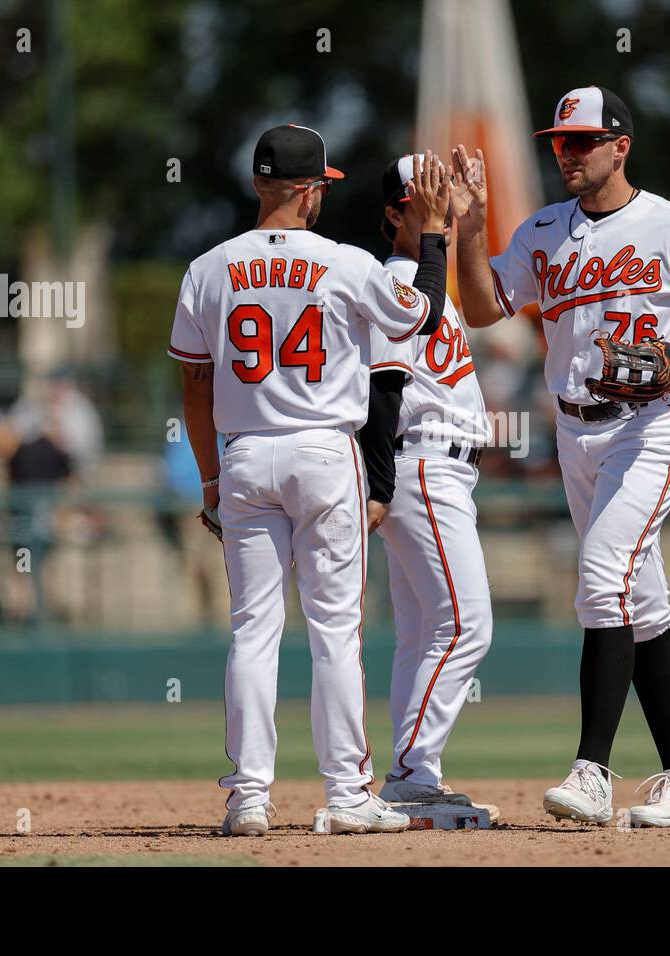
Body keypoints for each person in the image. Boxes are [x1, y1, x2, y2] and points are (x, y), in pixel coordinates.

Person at [450, 86, 670, 828]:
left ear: (622, 146)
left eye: (584, 140)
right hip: (573, 432)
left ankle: (592, 770)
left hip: (648, 427)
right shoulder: (544, 230)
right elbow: (485, 306)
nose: (570, 153)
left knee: (601, 575)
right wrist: (470, 227)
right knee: (641, 606)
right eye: (561, 141)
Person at [169, 125, 449, 837]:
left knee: (253, 632)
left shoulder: (208, 267)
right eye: (322, 183)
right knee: (334, 633)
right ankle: (348, 794)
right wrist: (437, 237)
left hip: (244, 455)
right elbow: (422, 317)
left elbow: (195, 388)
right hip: (325, 453)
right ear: (308, 189)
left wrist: (209, 482)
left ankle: (249, 798)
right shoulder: (344, 262)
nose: (325, 192)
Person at [358, 155, 495, 813]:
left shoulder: (426, 275)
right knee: (467, 625)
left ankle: (415, 774)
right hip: (422, 463)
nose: (442, 204)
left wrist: (472, 215)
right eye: (427, 197)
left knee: (421, 635)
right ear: (393, 213)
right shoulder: (392, 282)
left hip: (445, 467)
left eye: (446, 191)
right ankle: (412, 774)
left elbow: (472, 283)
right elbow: (391, 379)